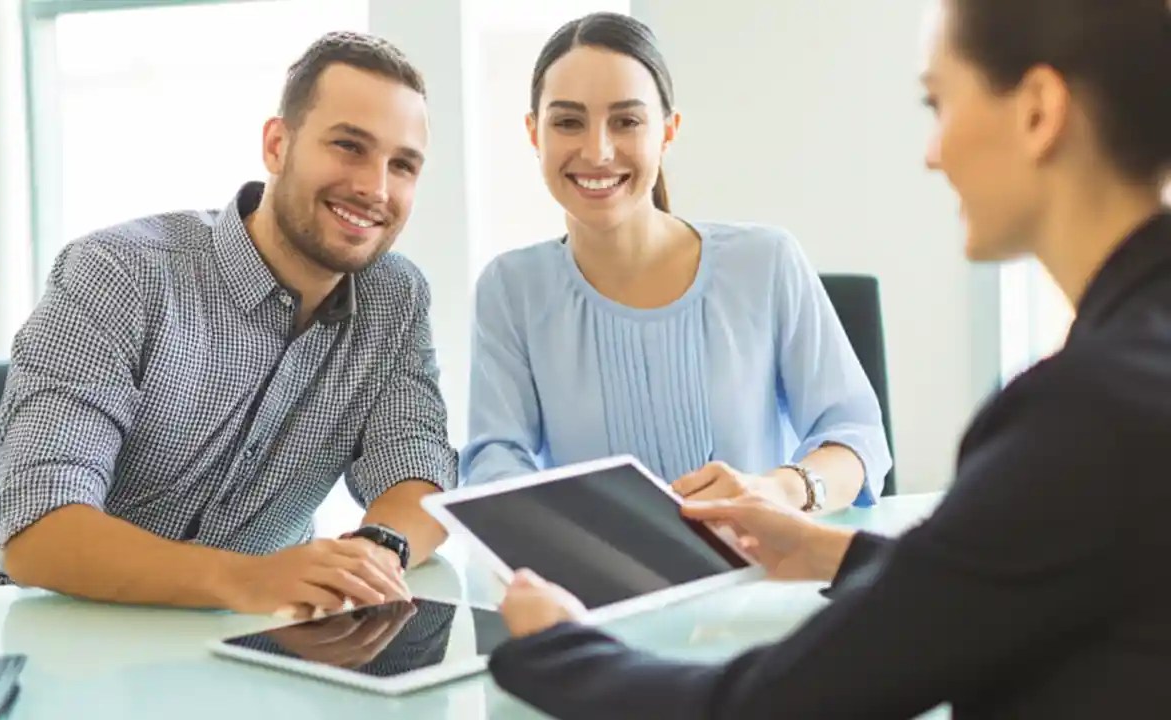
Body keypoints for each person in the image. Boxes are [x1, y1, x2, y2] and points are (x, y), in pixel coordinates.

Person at [488, 0, 1171, 717]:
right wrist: (829, 552)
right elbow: (1004, 576)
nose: (932, 153)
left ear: (1037, 112)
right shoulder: (1126, 382)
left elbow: (761, 708)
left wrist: (556, 647)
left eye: (937, 103)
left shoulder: (1080, 418)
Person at [0, 31, 458, 619]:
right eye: (348, 146)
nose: (375, 188)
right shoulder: (120, 273)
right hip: (66, 629)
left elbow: (419, 468)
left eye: (402, 165)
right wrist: (250, 580)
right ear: (277, 145)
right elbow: (39, 530)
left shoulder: (395, 296)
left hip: (250, 636)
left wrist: (377, 552)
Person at [461, 12, 890, 513]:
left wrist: (780, 490)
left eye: (626, 121)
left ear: (668, 131)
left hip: (754, 557)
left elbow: (856, 436)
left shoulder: (767, 262)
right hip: (594, 565)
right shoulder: (510, 289)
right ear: (534, 134)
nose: (597, 151)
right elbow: (495, 460)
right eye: (568, 122)